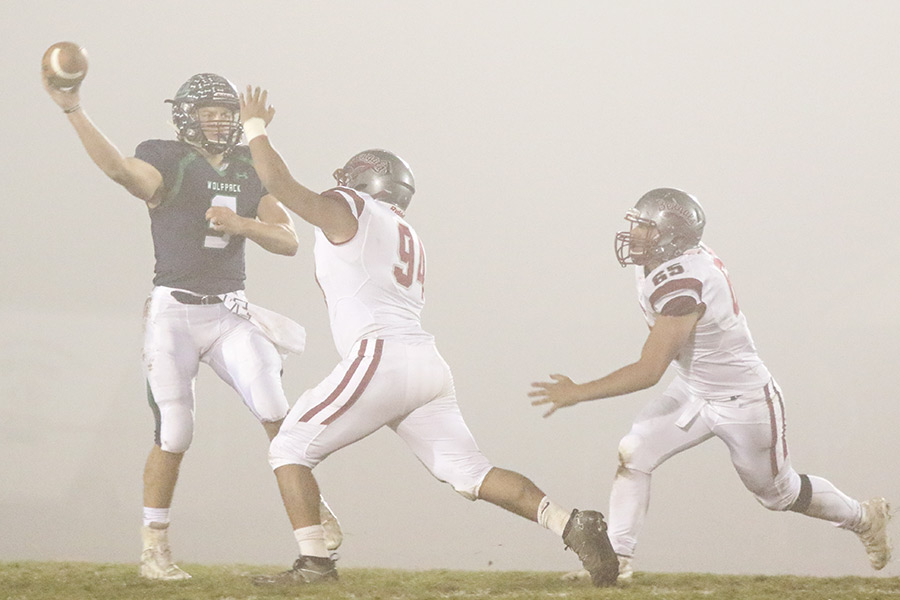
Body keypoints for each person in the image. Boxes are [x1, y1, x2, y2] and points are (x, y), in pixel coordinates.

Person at [237, 86, 619, 587]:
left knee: (288, 448)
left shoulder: (352, 208)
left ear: (360, 182)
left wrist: (255, 128)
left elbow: (282, 186)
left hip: (381, 355)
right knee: (470, 472)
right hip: (424, 363)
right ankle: (570, 522)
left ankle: (314, 562)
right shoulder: (404, 231)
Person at [42, 72, 342, 580]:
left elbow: (289, 240)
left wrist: (244, 224)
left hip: (230, 311)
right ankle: (153, 550)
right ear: (185, 116)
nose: (221, 121)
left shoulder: (249, 166)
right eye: (210, 111)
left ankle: (313, 525)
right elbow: (119, 170)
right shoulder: (166, 157)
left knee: (278, 413)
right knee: (176, 432)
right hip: (175, 314)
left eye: (227, 112)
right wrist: (73, 108)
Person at [530, 188, 892, 581]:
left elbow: (649, 369)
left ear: (670, 236)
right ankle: (617, 562)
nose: (632, 233)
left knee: (778, 494)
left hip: (743, 400)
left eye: (644, 227)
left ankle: (863, 517)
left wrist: (579, 391)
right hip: (693, 388)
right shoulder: (666, 258)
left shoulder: (683, 281)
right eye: (634, 224)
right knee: (634, 451)